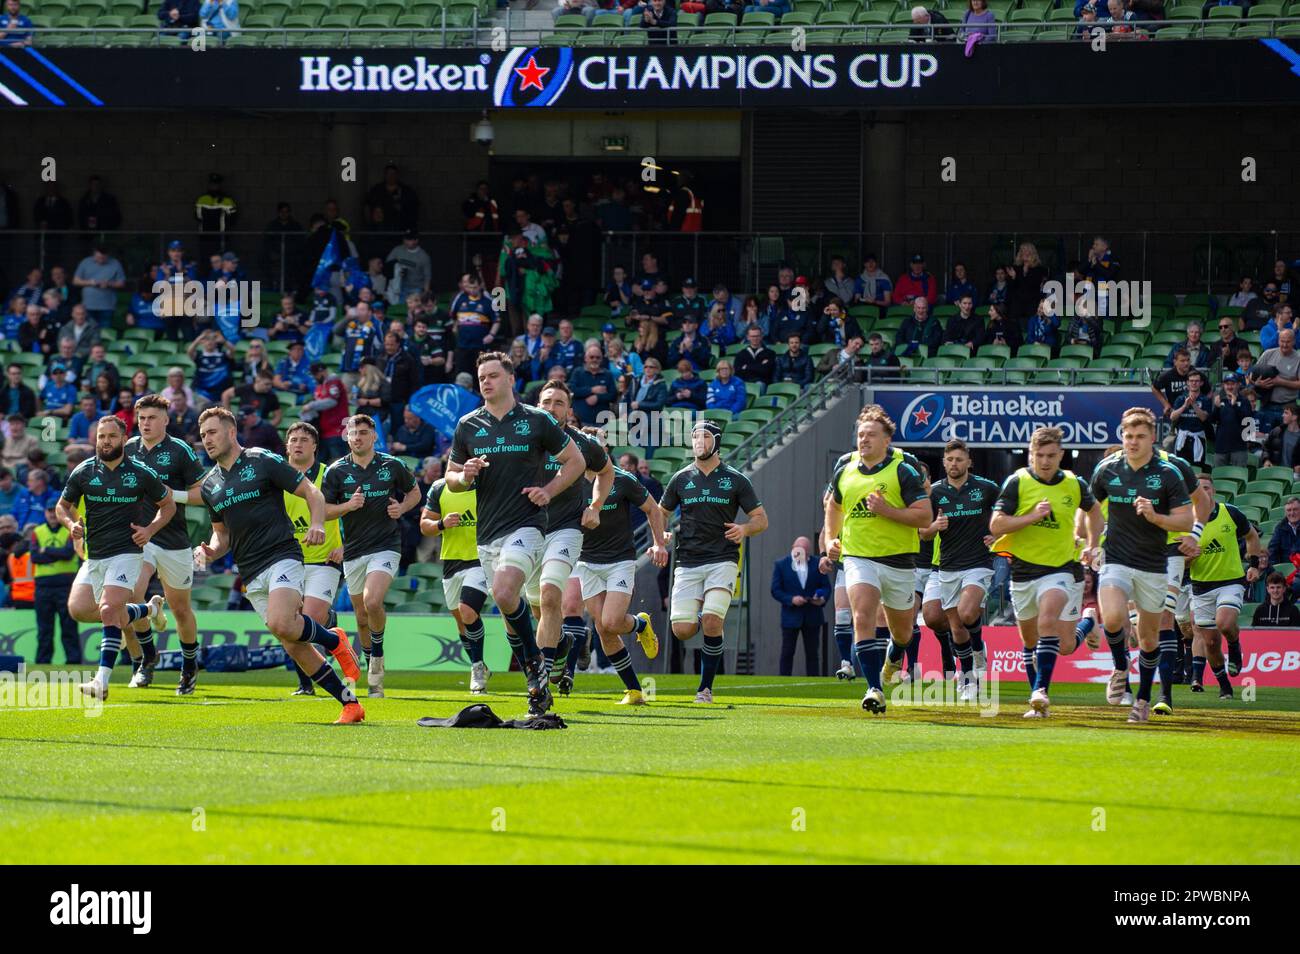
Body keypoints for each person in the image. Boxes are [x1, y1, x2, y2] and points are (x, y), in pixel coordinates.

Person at [191, 407, 363, 722]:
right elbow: (221, 536)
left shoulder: (262, 460)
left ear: (231, 432)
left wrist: (318, 524)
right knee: (291, 642)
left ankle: (334, 640)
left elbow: (311, 491)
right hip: (250, 570)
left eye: (212, 432)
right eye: (203, 436)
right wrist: (210, 550)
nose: (207, 440)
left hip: (282, 553)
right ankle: (349, 703)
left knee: (284, 624)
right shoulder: (210, 485)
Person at [446, 352, 585, 715]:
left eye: (493, 375)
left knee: (505, 592)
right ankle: (538, 671)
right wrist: (465, 476)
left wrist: (549, 491)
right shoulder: (467, 425)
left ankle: (536, 667)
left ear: (510, 379)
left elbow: (576, 461)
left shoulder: (536, 420)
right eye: (482, 378)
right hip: (486, 531)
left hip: (527, 524)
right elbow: (451, 478)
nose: (486, 382)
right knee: (509, 607)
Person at [55, 415, 174, 702]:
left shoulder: (141, 472)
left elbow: (167, 505)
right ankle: (150, 610)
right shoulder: (84, 472)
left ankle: (101, 681)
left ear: (123, 439)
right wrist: (72, 526)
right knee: (96, 612)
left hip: (127, 552)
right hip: (95, 555)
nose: (105, 441)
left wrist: (150, 529)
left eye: (111, 436)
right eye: (100, 436)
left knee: (109, 610)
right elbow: (62, 506)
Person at [824, 405, 931, 714]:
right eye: (860, 434)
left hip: (898, 560)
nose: (864, 439)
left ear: (887, 440)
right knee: (862, 616)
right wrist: (832, 539)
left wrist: (887, 511)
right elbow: (834, 505)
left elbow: (925, 516)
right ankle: (874, 688)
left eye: (871, 434)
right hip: (859, 556)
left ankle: (894, 655)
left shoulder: (903, 470)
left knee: (903, 632)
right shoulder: (845, 469)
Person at [1090, 408, 1194, 723]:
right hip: (1116, 559)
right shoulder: (1107, 469)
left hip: (1153, 564)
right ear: (1122, 436)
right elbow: (1089, 508)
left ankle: (1144, 699)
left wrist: (1156, 517)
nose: (1133, 442)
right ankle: (1121, 667)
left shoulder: (1168, 474)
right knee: (1112, 619)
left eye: (1140, 437)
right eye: (1128, 436)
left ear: (1152, 439)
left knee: (1149, 638)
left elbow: (1186, 519)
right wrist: (1091, 541)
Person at [990, 427, 1102, 716]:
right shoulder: (1018, 482)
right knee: (1048, 644)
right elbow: (996, 525)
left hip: (1062, 569)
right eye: (1039, 455)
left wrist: (1092, 545)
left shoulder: (1074, 484)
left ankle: (1040, 692)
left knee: (1047, 622)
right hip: (1023, 572)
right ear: (1030, 455)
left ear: (1061, 455)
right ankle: (1088, 621)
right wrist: (1032, 517)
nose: (1045, 461)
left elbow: (1095, 513)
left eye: (1051, 455)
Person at [661, 419, 768, 704]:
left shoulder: (735, 479)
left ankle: (705, 689)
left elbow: (761, 519)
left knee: (712, 621)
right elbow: (660, 511)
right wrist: (661, 535)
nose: (699, 442)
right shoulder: (681, 477)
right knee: (682, 630)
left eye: (705, 436)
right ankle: (702, 613)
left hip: (723, 559)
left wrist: (744, 529)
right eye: (695, 436)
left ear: (717, 442)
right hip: (688, 560)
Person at [321, 414, 421, 698]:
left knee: (372, 600)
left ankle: (377, 660)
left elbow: (415, 492)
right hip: (353, 551)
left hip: (386, 545)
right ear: (347, 437)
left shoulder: (392, 465)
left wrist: (401, 509)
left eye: (364, 433)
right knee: (361, 617)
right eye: (353, 433)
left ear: (374, 436)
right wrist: (348, 506)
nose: (358, 438)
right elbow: (325, 510)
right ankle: (370, 662)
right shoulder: (336, 471)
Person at [528, 382, 616, 698]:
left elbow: (607, 473)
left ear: (570, 410)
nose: (552, 408)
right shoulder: (523, 441)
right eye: (546, 402)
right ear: (537, 406)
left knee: (552, 596)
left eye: (559, 403)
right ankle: (562, 643)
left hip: (565, 530)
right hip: (528, 532)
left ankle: (540, 685)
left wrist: (595, 507)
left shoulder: (582, 444)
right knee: (540, 611)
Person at [121, 395, 207, 694]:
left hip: (174, 541)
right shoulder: (127, 449)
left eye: (152, 418)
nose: (146, 423)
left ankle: (188, 665)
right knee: (132, 594)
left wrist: (174, 495)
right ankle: (147, 659)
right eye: (142, 418)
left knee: (181, 609)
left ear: (166, 420)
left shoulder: (180, 450)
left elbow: (203, 493)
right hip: (138, 538)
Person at [572, 458, 667, 704]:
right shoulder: (571, 480)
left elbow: (652, 508)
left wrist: (658, 543)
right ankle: (635, 691)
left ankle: (640, 625)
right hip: (586, 563)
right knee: (602, 628)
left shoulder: (622, 479)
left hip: (619, 561)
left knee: (611, 621)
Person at [925, 439, 1003, 701]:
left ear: (969, 462)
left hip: (978, 563)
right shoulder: (935, 493)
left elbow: (1009, 512)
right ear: (944, 462)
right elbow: (922, 533)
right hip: (947, 566)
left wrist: (998, 536)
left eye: (959, 459)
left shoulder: (986, 488)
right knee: (955, 626)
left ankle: (978, 649)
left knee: (967, 612)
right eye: (950, 460)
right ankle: (969, 676)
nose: (954, 464)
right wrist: (935, 527)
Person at [1183, 473, 1264, 700]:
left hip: (1230, 581)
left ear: (1214, 491)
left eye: (1207, 488)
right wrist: (1189, 558)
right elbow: (1178, 561)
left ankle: (1235, 647)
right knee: (1209, 641)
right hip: (1200, 587)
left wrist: (1254, 565)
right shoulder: (1187, 522)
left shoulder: (1230, 512)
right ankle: (1224, 686)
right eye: (1199, 489)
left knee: (1225, 623)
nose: (1204, 492)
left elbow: (1251, 536)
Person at [281, 421, 346, 697]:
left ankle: (324, 618)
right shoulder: (277, 477)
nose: (298, 444)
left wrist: (347, 546)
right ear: (286, 446)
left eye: (304, 440)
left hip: (324, 560)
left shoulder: (329, 475)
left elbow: (354, 513)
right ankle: (306, 684)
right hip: (289, 561)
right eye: (293, 440)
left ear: (315, 447)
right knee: (290, 624)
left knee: (305, 619)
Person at [420, 469, 492, 695]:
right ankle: (480, 665)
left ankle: (477, 666)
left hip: (481, 558)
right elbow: (425, 525)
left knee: (468, 611)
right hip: (451, 562)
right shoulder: (440, 487)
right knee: (461, 620)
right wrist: (441, 524)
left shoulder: (487, 485)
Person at [30, 503, 81, 665]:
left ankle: (73, 661)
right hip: (43, 586)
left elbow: (67, 554)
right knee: (44, 629)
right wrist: (54, 554)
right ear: (45, 512)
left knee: (69, 627)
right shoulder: (37, 532)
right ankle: (43, 662)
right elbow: (35, 557)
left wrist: (45, 550)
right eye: (49, 510)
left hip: (66, 585)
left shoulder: (70, 529)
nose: (52, 514)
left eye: (54, 511)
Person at [771, 536, 828, 678]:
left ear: (808, 552)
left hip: (812, 614)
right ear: (793, 548)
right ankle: (783, 681)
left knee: (813, 653)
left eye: (804, 551)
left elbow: (826, 587)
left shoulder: (817, 564)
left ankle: (814, 681)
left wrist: (821, 599)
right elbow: (775, 590)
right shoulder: (781, 564)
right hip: (791, 615)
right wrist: (791, 599)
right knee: (787, 651)